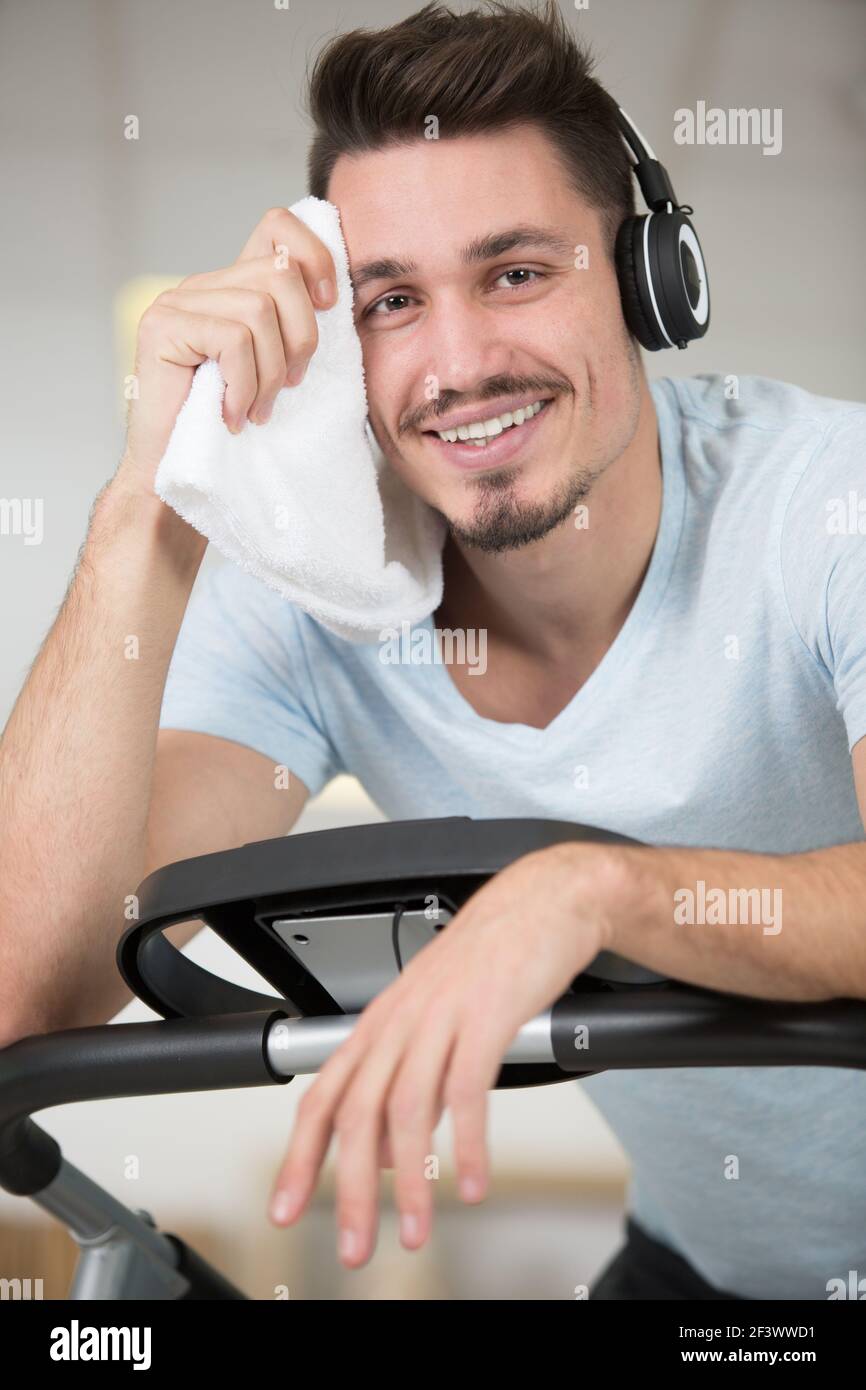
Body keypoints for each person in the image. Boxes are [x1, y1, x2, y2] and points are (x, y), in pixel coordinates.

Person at [1, 1, 864, 1301]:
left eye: (515, 271)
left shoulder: (825, 500)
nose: (456, 363)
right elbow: (30, 998)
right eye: (390, 302)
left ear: (648, 280)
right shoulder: (316, 598)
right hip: (718, 1268)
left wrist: (590, 889)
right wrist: (152, 503)